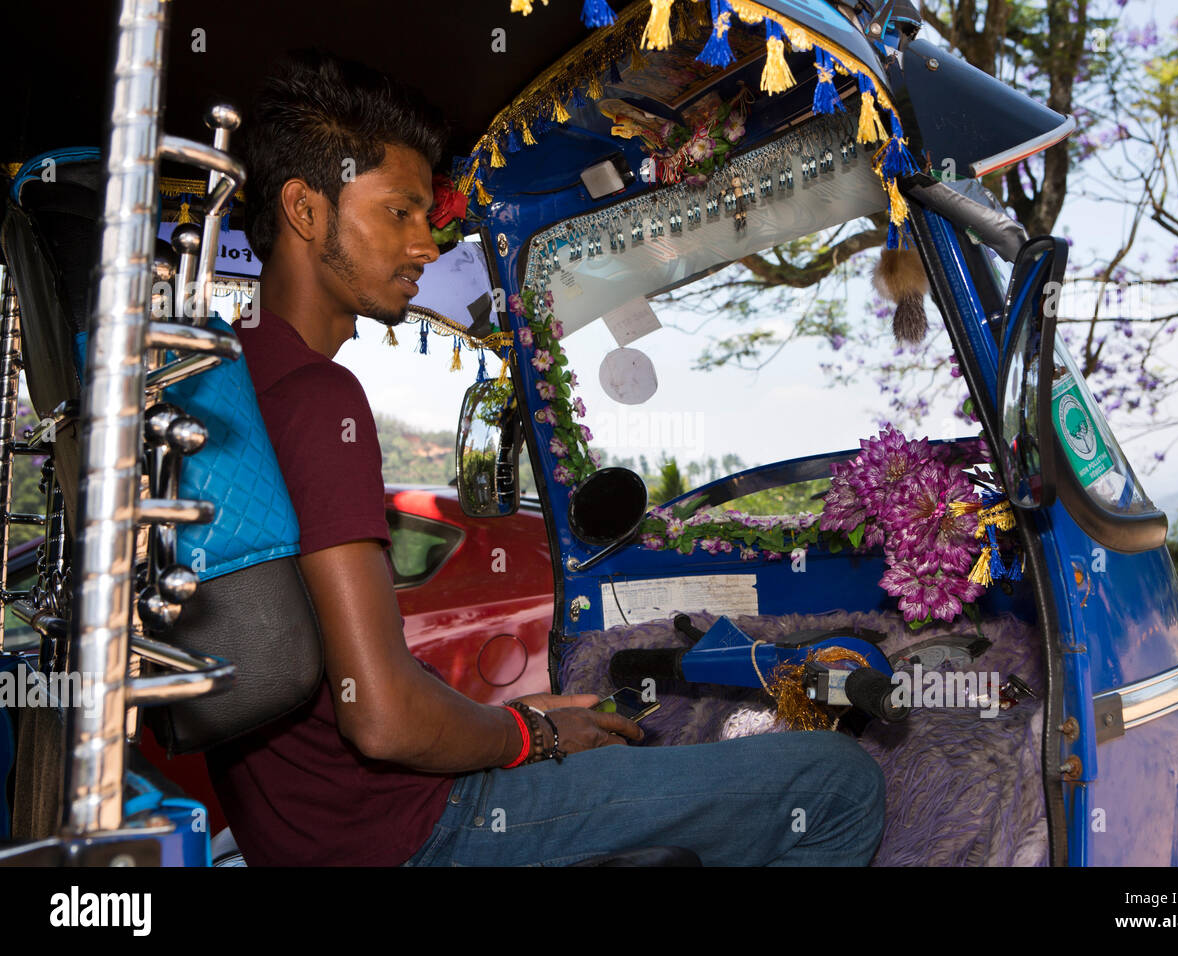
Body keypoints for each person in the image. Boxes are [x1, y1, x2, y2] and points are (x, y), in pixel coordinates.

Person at [206, 50, 886, 867]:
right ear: (305, 211)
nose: (426, 244)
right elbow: (380, 718)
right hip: (416, 834)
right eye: (400, 213)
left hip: (317, 838)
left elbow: (344, 686)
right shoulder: (319, 398)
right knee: (837, 785)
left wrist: (517, 722)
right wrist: (528, 733)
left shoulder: (232, 383)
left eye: (430, 217)